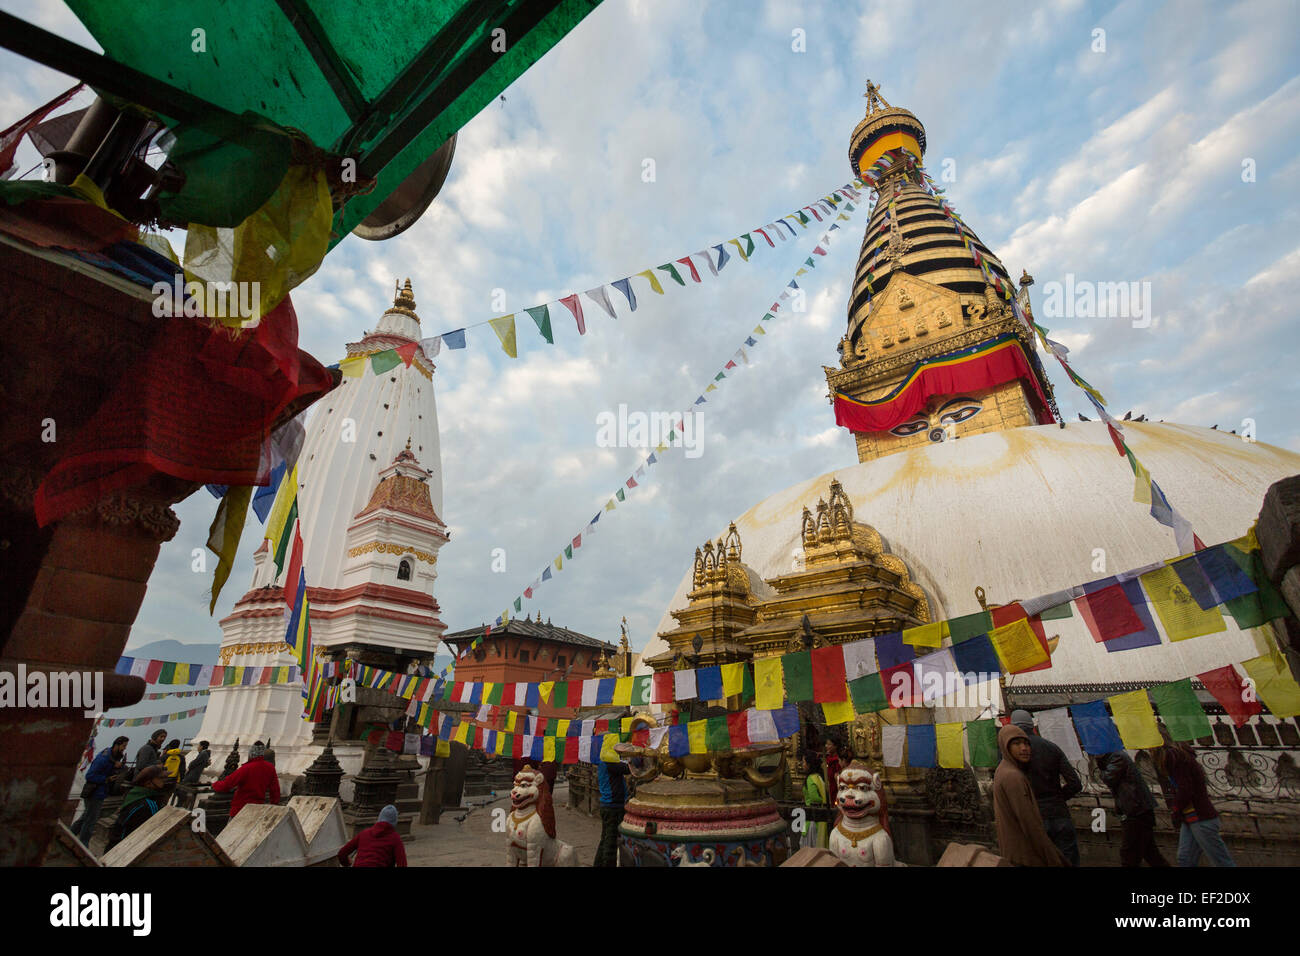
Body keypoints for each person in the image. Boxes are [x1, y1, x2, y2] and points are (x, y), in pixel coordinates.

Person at [1010, 709, 1082, 865]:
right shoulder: (1051, 747)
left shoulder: (1013, 755)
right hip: (1060, 813)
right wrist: (1057, 797)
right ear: (1032, 724)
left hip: (1034, 816)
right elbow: (1075, 783)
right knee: (1068, 860)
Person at [1155, 726, 1235, 867]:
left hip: (1200, 817)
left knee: (1221, 861)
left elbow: (1185, 788)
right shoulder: (1178, 755)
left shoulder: (1175, 757)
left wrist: (1176, 809)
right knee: (1185, 859)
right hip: (1190, 817)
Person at [992, 723, 1068, 866]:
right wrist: (1053, 858)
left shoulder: (1003, 770)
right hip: (1025, 854)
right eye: (1016, 744)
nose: (1024, 748)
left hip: (1015, 851)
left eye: (1026, 743)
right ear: (1005, 746)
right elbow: (1030, 824)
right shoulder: (1013, 777)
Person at [1100, 750, 1169, 867]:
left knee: (1129, 855)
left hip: (1136, 811)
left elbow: (1108, 778)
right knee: (1151, 855)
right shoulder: (1114, 756)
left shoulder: (1117, 756)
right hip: (1137, 810)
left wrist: (1100, 763)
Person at [73, 735, 129, 846]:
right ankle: (83, 844)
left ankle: (71, 833)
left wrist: (116, 767)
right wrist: (107, 779)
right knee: (90, 821)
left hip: (101, 792)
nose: (124, 749)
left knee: (85, 817)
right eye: (123, 746)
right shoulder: (104, 759)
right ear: (117, 745)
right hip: (94, 793)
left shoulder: (112, 758)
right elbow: (90, 776)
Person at [105, 766, 170, 851]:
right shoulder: (147, 805)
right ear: (148, 783)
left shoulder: (134, 794)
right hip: (124, 849)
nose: (164, 782)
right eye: (161, 779)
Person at [210, 741, 280, 819]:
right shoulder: (270, 768)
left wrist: (214, 785)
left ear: (251, 754)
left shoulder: (246, 768)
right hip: (257, 809)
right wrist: (274, 804)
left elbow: (227, 784)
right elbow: (275, 790)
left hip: (240, 809)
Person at [338, 805, 407, 867]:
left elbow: (342, 853)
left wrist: (347, 863)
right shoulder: (395, 838)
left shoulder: (364, 833)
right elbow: (402, 864)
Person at [594, 756, 630, 867]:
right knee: (611, 843)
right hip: (612, 807)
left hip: (609, 805)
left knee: (605, 839)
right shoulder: (609, 762)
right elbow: (627, 769)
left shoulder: (605, 760)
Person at [801, 751, 828, 849]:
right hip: (817, 818)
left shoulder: (810, 779)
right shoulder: (818, 776)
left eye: (803, 762)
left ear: (809, 764)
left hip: (811, 819)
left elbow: (814, 799)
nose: (802, 765)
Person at [824, 739, 842, 810]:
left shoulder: (838, 761)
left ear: (835, 746)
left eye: (829, 744)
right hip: (830, 787)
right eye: (826, 744)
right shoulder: (828, 759)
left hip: (836, 789)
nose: (826, 746)